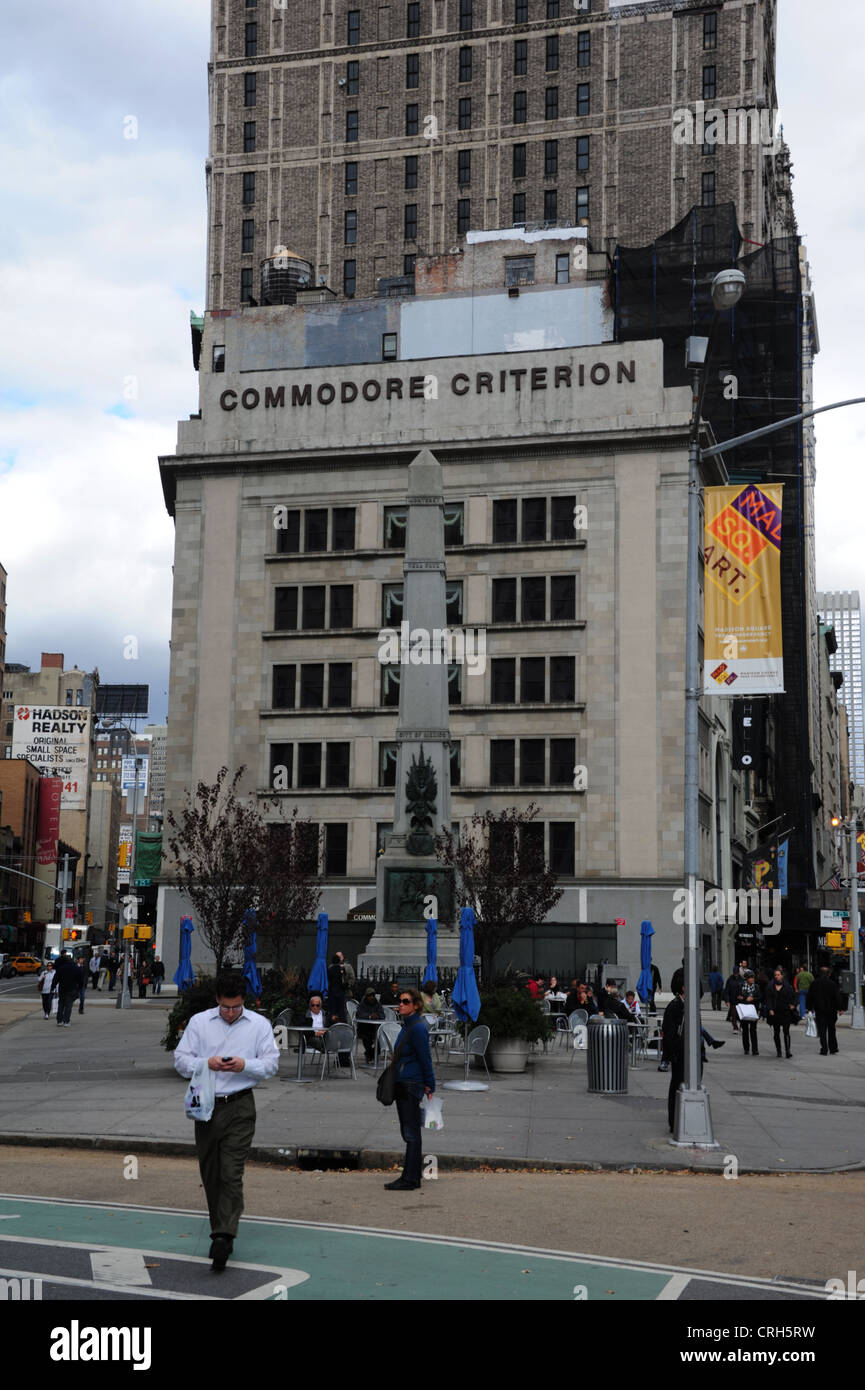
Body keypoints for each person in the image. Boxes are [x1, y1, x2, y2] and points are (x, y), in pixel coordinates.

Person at [174, 971, 279, 1271]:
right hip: (206, 1105)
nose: (231, 1013)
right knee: (211, 1173)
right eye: (226, 1007)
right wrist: (205, 1063)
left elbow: (271, 1064)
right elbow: (180, 1060)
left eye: (236, 1007)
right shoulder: (200, 1023)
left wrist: (245, 1065)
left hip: (240, 1104)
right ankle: (222, 1225)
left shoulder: (259, 1025)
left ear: (243, 1000)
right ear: (217, 1000)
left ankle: (223, 1235)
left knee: (231, 1172)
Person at [385, 986, 435, 1192]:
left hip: (411, 1084)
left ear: (416, 1005)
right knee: (409, 1131)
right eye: (400, 1001)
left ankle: (410, 1178)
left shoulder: (418, 1028)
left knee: (411, 1132)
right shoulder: (408, 1026)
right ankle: (411, 1176)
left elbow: (426, 1058)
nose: (401, 1004)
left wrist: (430, 1084)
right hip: (404, 1082)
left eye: (406, 1002)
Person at [661, 982, 686, 1132]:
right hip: (679, 1053)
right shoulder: (676, 1006)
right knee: (677, 1085)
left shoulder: (683, 1005)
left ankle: (677, 1119)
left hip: (682, 1052)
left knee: (679, 1084)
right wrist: (672, 1053)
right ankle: (674, 1120)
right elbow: (669, 1032)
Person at [806, 966, 841, 1056]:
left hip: (820, 1010)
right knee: (831, 1029)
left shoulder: (814, 983)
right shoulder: (832, 984)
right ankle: (833, 1047)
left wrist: (809, 1008)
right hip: (831, 1010)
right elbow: (837, 997)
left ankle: (824, 1048)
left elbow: (810, 997)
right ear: (829, 974)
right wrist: (840, 1008)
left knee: (822, 1030)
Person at [766, 967, 797, 1059]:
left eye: (778, 975)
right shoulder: (770, 987)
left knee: (786, 1032)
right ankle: (778, 1051)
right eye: (775, 975)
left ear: (782, 976)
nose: (777, 977)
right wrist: (770, 1009)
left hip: (785, 1012)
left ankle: (788, 1051)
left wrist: (793, 1005)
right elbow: (768, 999)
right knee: (776, 1032)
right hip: (775, 1012)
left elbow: (794, 997)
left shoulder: (787, 986)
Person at [356, 987, 385, 1064]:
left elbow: (382, 1015)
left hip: (375, 1028)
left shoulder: (377, 1004)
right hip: (364, 1028)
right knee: (366, 1039)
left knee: (381, 1043)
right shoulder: (362, 1004)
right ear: (366, 996)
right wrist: (369, 1016)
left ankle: (369, 1054)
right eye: (369, 996)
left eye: (373, 995)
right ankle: (370, 1054)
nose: (371, 997)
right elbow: (359, 1015)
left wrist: (377, 1015)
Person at [54, 952, 83, 1028]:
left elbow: (55, 979)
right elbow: (80, 979)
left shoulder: (60, 968)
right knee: (68, 1005)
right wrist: (80, 987)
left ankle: (59, 1021)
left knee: (61, 1005)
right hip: (72, 989)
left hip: (62, 988)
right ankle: (66, 1021)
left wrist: (52, 987)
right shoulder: (76, 968)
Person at [737, 969, 762, 1055]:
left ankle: (755, 1049)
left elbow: (760, 998)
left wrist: (753, 999)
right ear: (746, 979)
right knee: (745, 1030)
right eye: (750, 978)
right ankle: (746, 1048)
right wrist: (742, 998)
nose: (752, 979)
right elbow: (738, 996)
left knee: (753, 1030)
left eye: (753, 977)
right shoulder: (741, 986)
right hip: (744, 1011)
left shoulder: (756, 987)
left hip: (753, 1011)